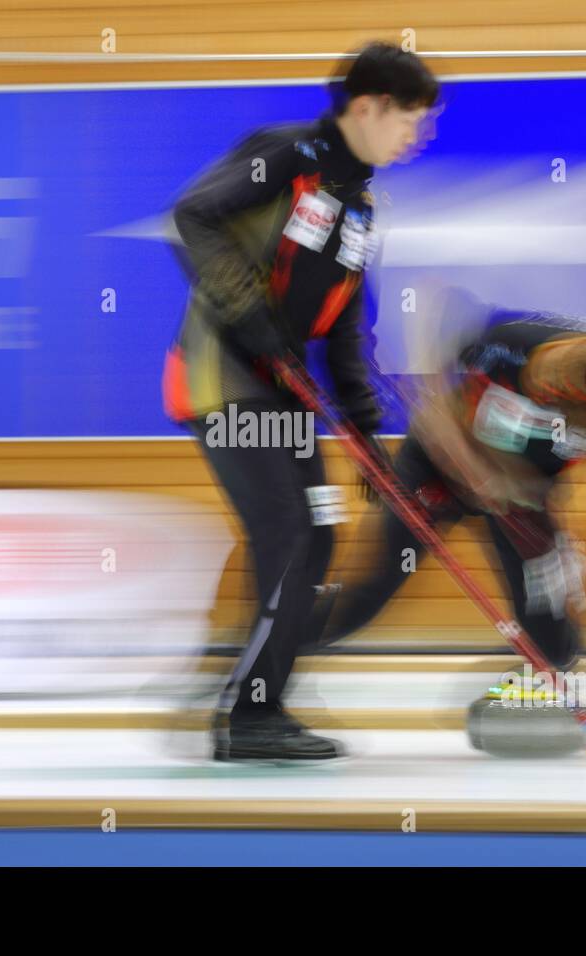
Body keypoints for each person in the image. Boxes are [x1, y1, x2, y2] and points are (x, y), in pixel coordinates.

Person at [161, 42, 439, 761]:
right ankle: (249, 716)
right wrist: (255, 325)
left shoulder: (359, 204)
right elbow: (191, 217)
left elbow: (344, 324)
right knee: (287, 534)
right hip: (224, 379)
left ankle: (257, 696)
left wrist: (368, 434)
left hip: (284, 395)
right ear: (367, 106)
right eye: (411, 119)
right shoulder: (284, 156)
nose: (419, 135)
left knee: (316, 535)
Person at [304, 288, 586, 679]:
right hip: (438, 468)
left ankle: (546, 696)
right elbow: (433, 353)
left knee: (551, 639)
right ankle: (275, 652)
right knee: (367, 594)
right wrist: (473, 465)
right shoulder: (512, 347)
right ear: (569, 391)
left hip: (524, 496)